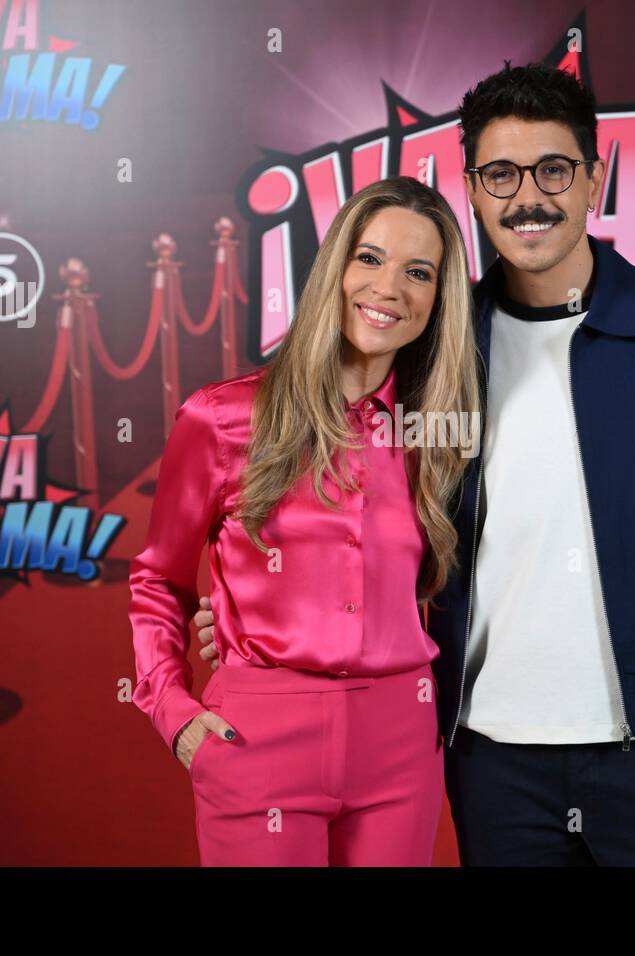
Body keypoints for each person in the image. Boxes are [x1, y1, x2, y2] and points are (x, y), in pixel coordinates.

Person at [197, 61, 635, 866]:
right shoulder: (440, 346)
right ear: (475, 192)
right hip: (491, 762)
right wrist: (256, 609)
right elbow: (348, 504)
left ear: (594, 179)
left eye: (554, 169)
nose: (529, 197)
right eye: (500, 174)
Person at [129, 175, 480, 866]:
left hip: (402, 745)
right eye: (370, 257)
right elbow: (156, 582)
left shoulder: (437, 434)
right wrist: (174, 715)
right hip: (258, 741)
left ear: (439, 300)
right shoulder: (222, 418)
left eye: (419, 272)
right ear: (335, 267)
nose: (389, 289)